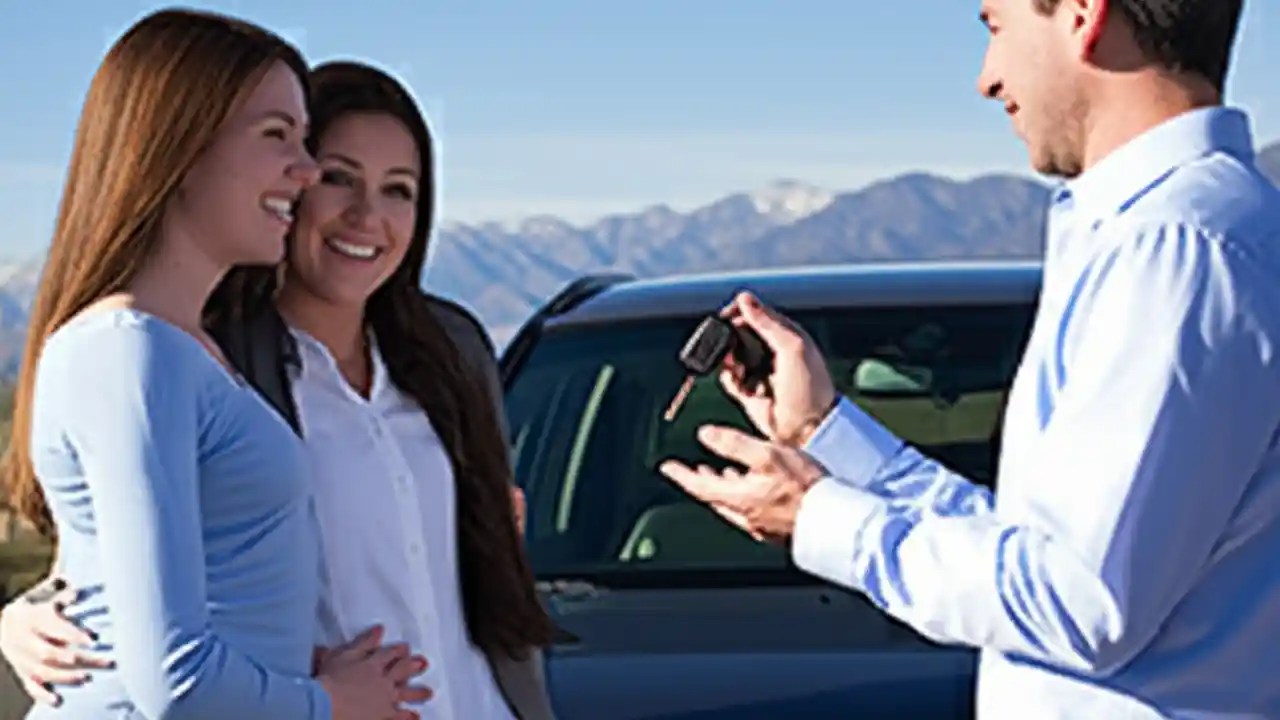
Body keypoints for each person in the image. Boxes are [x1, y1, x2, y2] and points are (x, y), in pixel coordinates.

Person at [660, 0, 1280, 718]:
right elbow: (1043, 555)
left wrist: (818, 520)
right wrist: (825, 435)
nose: (987, 79)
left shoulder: (1175, 247)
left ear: (1083, 14)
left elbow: (1080, 603)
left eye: (995, 24)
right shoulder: (1179, 233)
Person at [1, 59, 558, 719]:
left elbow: (492, 579)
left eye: (398, 190)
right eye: (338, 178)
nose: (366, 217)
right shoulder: (212, 367)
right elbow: (120, 548)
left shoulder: (451, 351)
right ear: (291, 183)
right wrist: (24, 615)